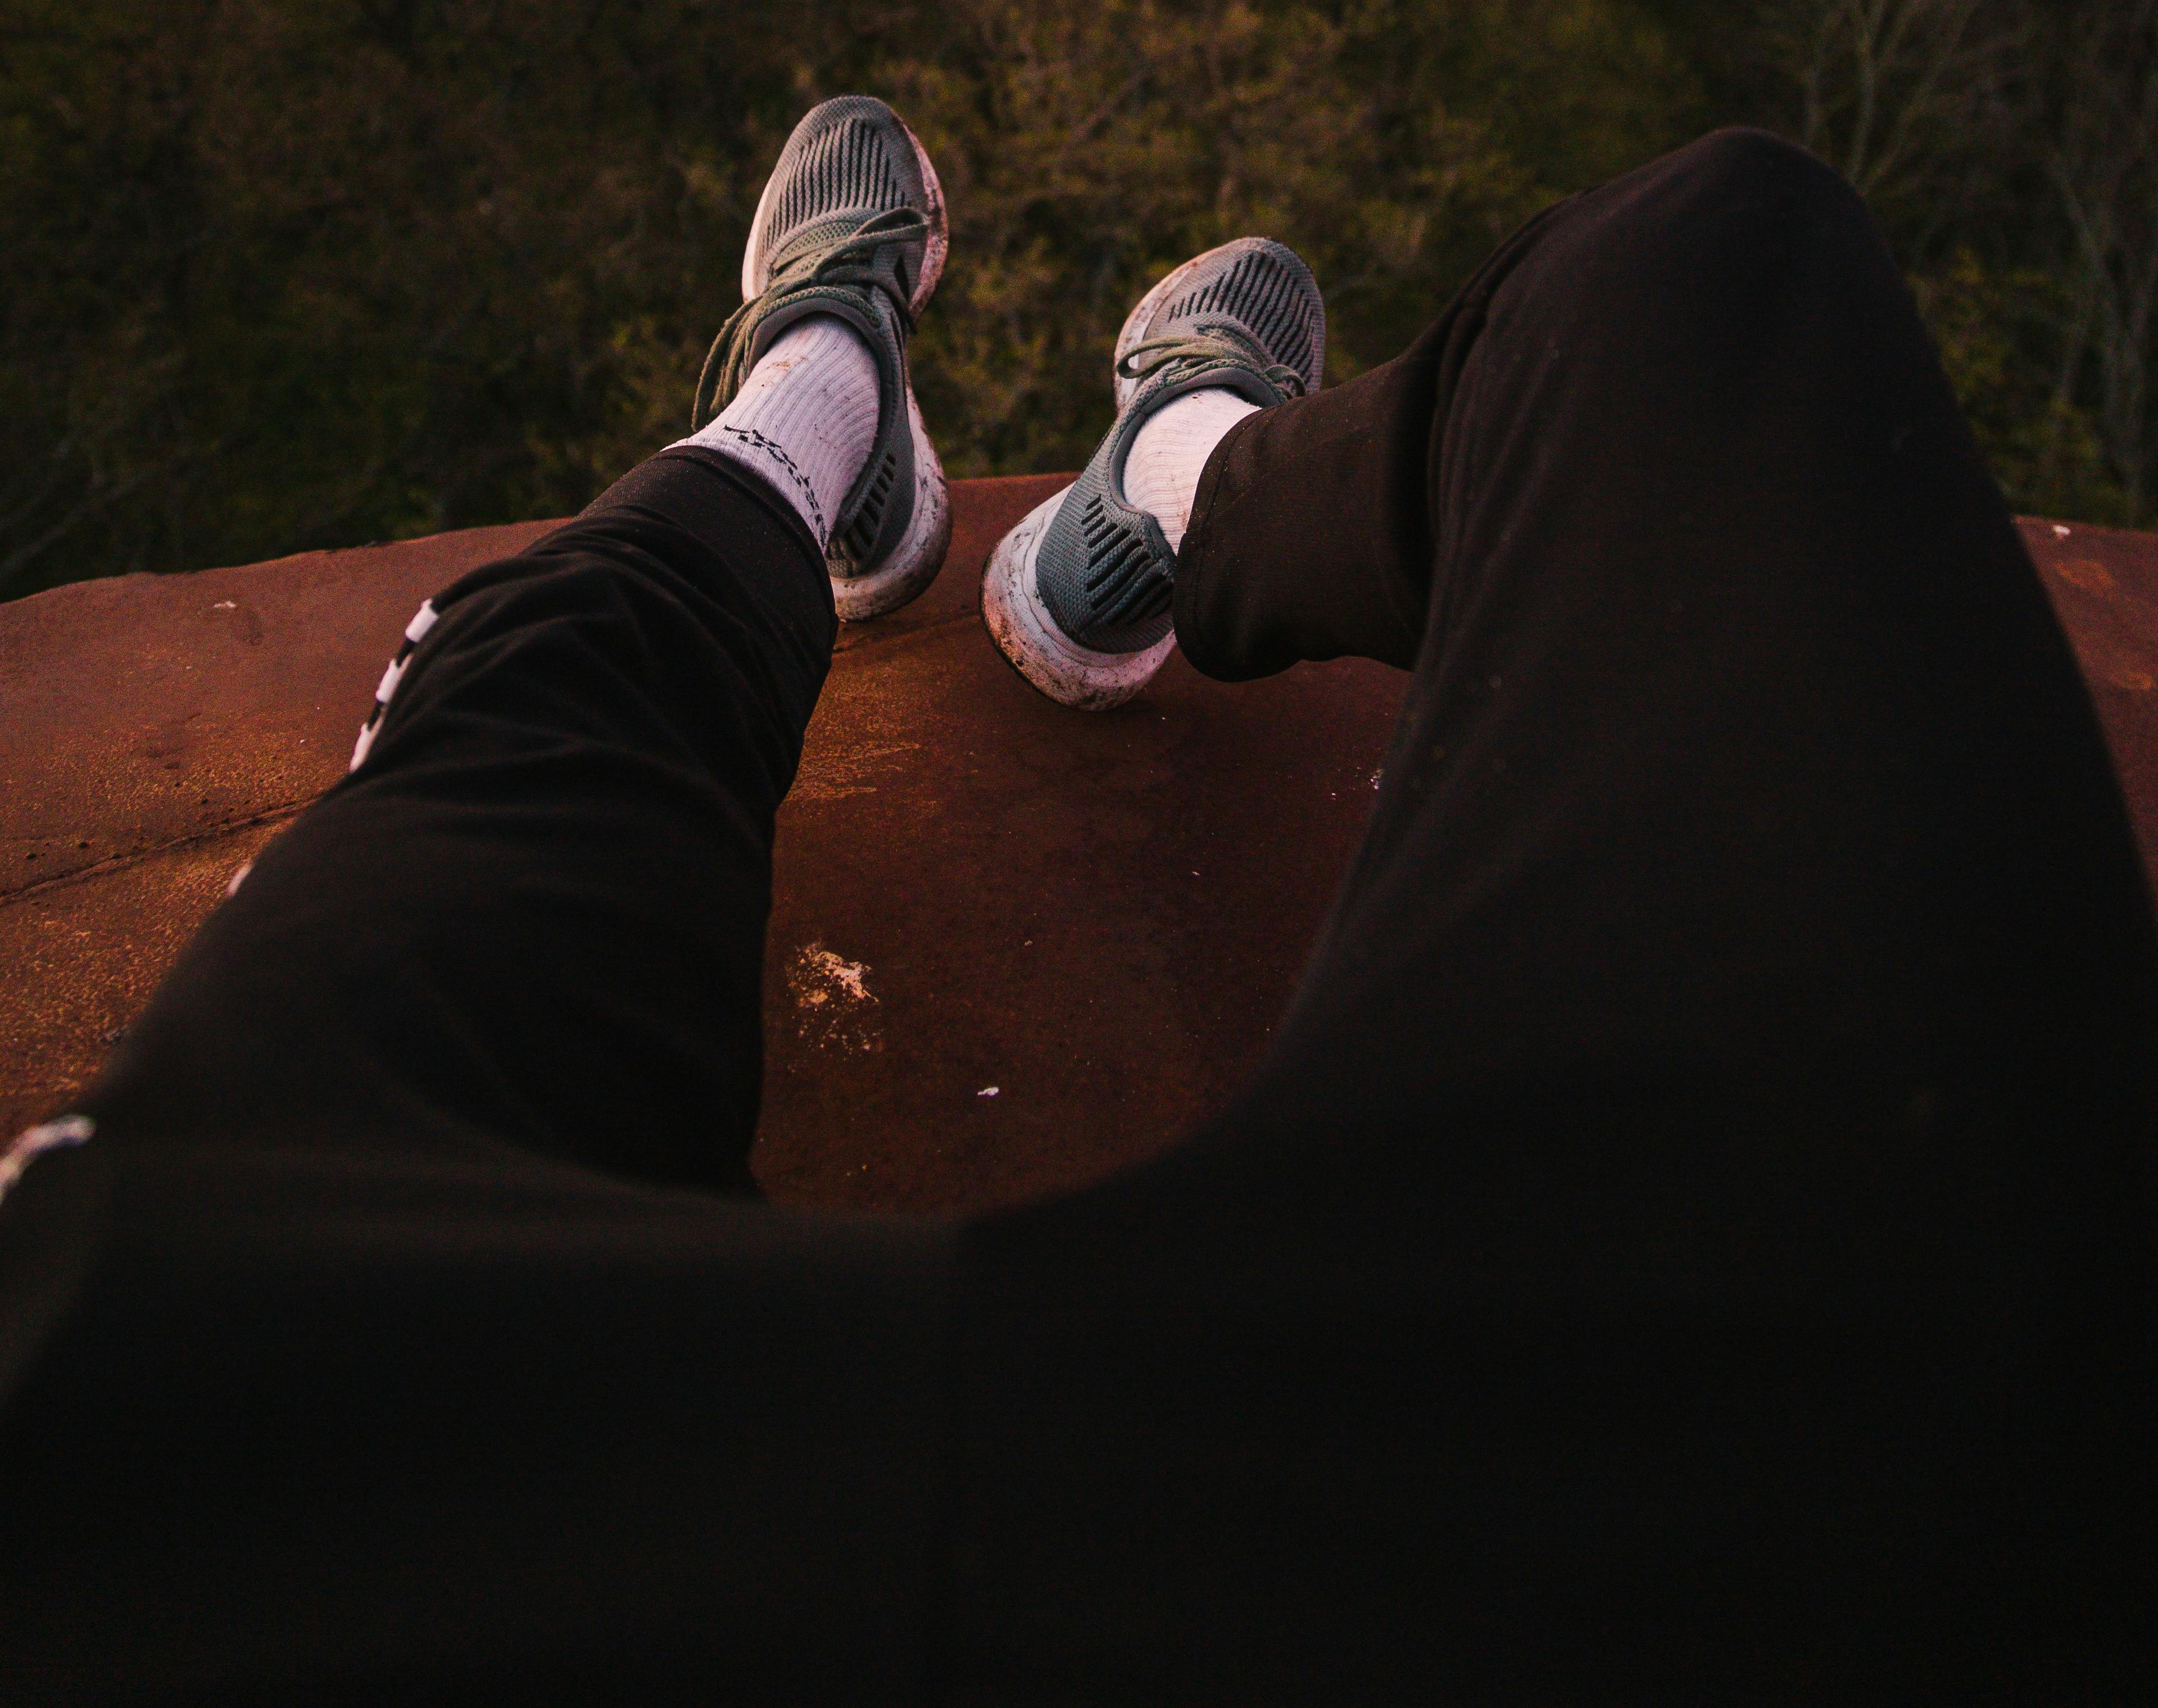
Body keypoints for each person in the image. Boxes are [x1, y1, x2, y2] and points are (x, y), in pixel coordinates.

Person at [3, 97, 2155, 1704]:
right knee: (1725, 279)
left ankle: (813, 413)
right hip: (1646, 1544)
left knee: (531, 721)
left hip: (318, 1518)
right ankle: (1178, 478)